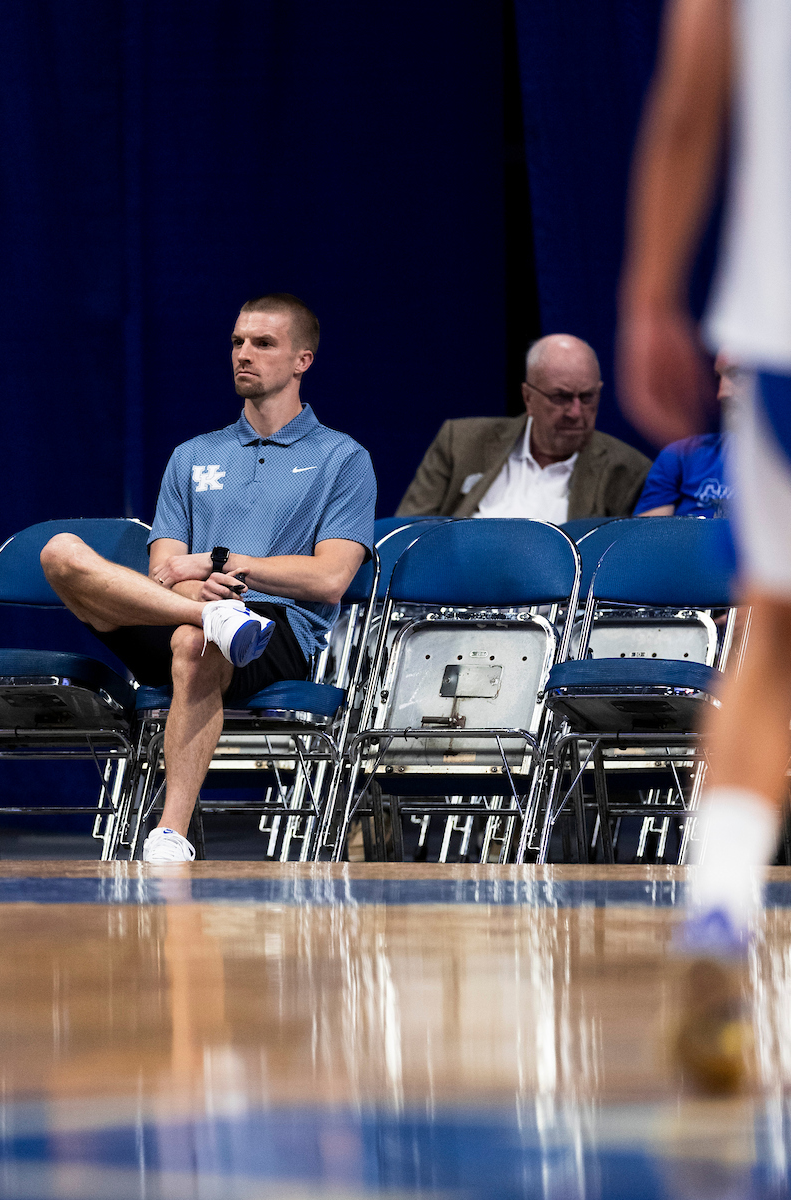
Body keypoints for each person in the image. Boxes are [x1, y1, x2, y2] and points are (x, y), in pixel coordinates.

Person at [40, 293, 376, 863]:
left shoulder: (342, 458)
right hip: (187, 610)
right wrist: (200, 594)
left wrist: (223, 565)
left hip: (277, 629)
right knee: (61, 553)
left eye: (263, 344)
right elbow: (162, 574)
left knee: (197, 643)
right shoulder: (192, 455)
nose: (244, 354)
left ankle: (169, 833)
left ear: (303, 360)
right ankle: (212, 619)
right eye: (237, 342)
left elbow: (329, 579)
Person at [620, 0, 791, 1089]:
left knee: (773, 637)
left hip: (776, 319)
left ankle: (721, 914)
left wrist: (648, 295)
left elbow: (692, 90)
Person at [396, 334, 651, 522]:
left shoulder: (627, 470)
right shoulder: (461, 442)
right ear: (528, 397)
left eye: (587, 397)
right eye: (561, 397)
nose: (576, 412)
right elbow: (405, 531)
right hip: (455, 589)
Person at [634, 353, 735, 516]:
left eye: (736, 374)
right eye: (718, 378)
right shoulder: (680, 457)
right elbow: (647, 537)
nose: (722, 393)